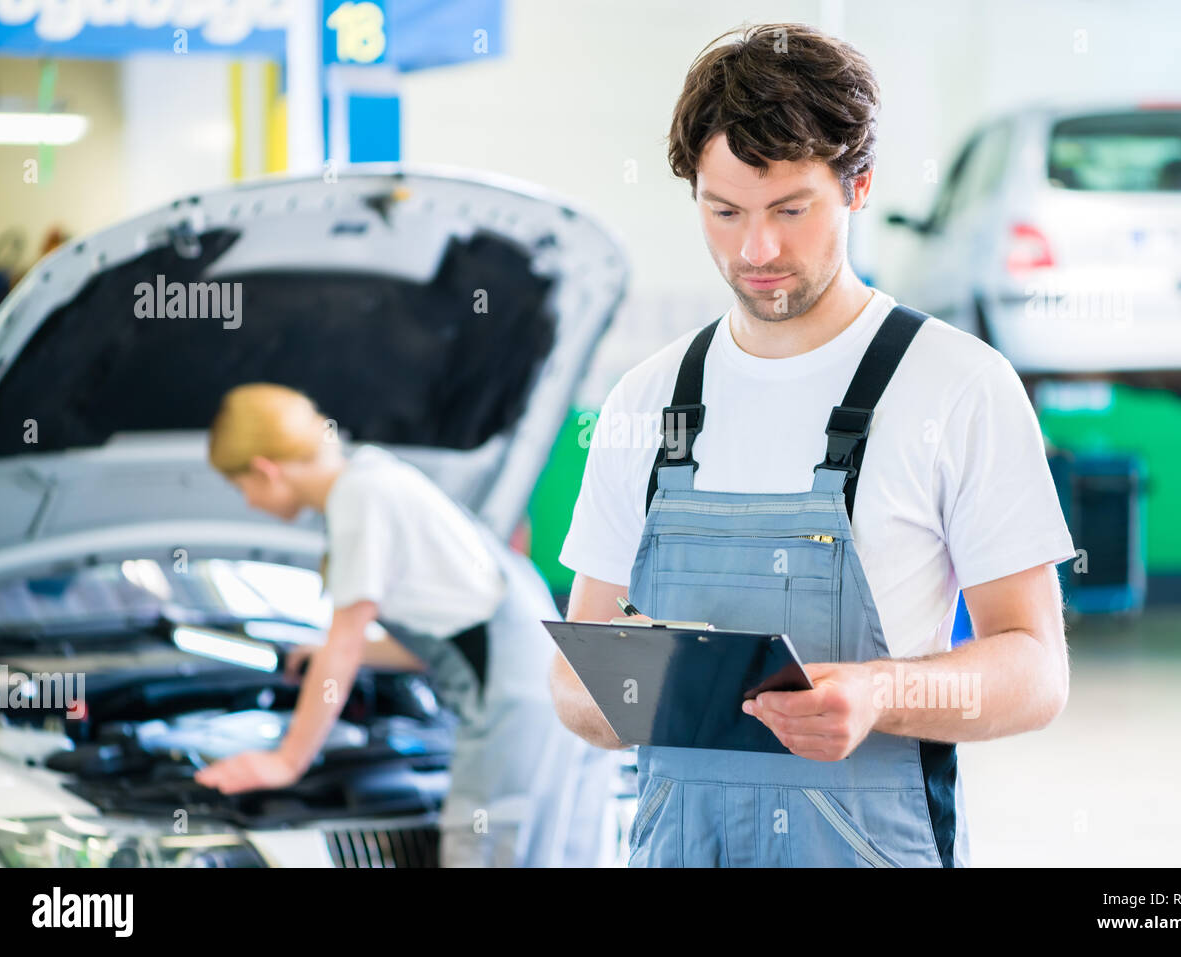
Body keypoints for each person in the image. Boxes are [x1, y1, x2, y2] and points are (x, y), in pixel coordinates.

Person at [550, 23, 1077, 867]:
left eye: (791, 210)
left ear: (858, 185)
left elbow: (1035, 672)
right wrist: (671, 688)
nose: (756, 250)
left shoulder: (958, 385)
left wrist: (879, 692)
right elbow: (575, 682)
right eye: (724, 212)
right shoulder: (646, 400)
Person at [197, 383, 612, 867]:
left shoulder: (357, 496)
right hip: (555, 687)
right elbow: (440, 640)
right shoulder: (375, 473)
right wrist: (328, 652)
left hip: (518, 702)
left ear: (265, 471)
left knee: (479, 849)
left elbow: (345, 644)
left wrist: (285, 761)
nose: (247, 502)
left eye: (240, 486)